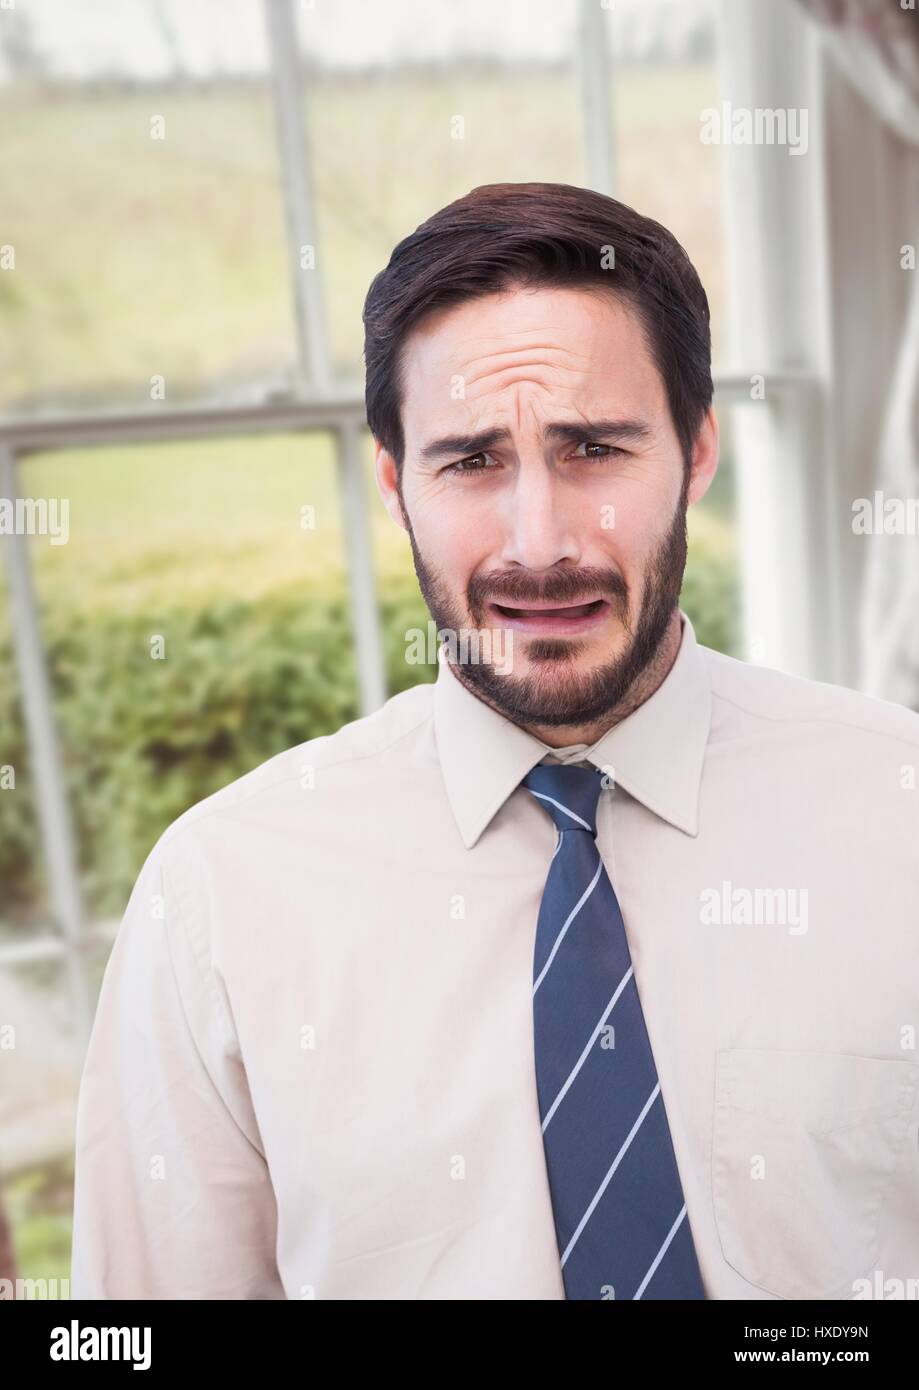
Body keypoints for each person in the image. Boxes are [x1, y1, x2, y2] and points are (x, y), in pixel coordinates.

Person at [71, 182, 919, 1300]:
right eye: (470, 460)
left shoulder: (894, 808)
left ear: (697, 452)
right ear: (394, 484)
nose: (540, 540)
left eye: (595, 448)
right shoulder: (220, 897)